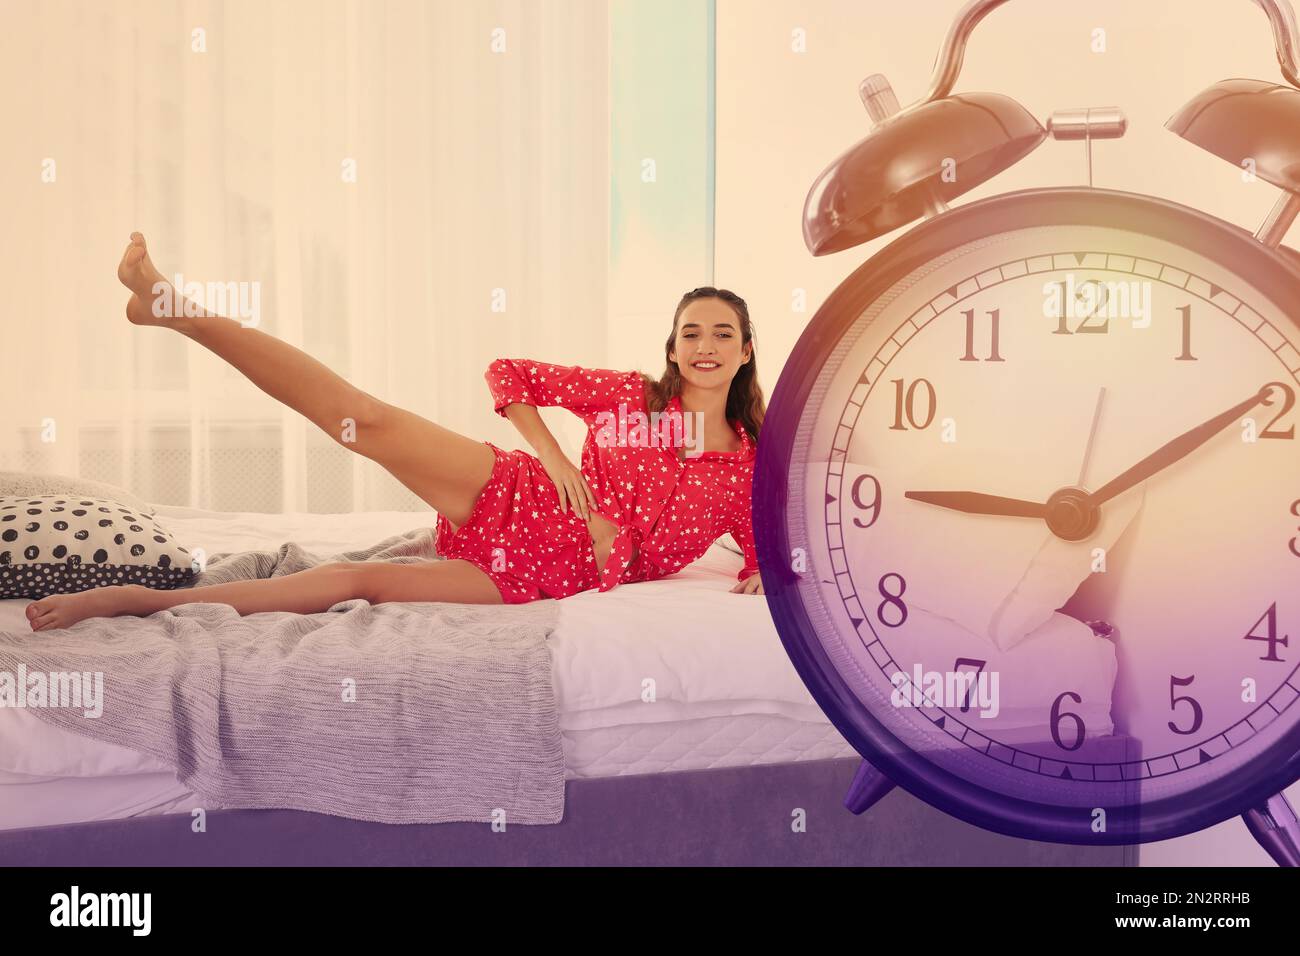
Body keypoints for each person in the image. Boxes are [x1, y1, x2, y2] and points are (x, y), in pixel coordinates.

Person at [25, 233, 766, 632]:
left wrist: (767, 572)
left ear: (744, 350)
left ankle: (134, 602)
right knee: (362, 419)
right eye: (690, 332)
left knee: (356, 584)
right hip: (512, 491)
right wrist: (556, 459)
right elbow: (509, 374)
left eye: (721, 333)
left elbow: (768, 550)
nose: (704, 345)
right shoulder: (630, 397)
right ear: (672, 348)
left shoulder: (749, 468)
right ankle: (172, 307)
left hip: (544, 573)